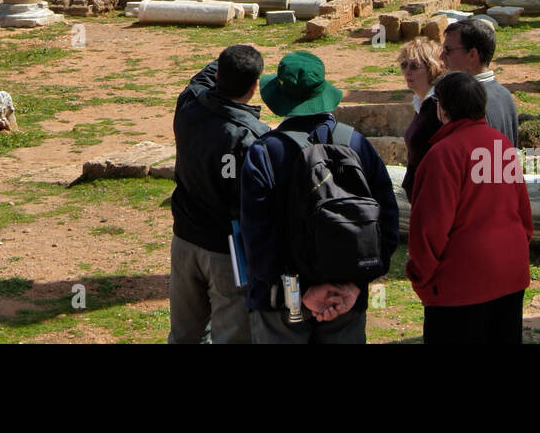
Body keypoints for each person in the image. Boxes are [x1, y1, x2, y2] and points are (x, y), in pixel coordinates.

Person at [239, 51, 399, 343]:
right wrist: (354, 286)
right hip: (346, 301)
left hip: (280, 305)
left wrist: (302, 293)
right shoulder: (356, 143)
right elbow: (387, 221)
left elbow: (257, 238)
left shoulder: (264, 152)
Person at [407, 70, 532, 344]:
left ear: (442, 108)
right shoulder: (501, 145)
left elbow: (430, 227)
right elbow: (523, 212)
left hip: (460, 284)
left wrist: (421, 276)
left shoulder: (442, 154)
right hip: (510, 272)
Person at [168, 44, 271, 343]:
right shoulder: (254, 138)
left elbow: (200, 78)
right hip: (227, 253)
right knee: (232, 336)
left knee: (183, 335)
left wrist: (232, 64)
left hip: (184, 240)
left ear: (218, 78)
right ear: (255, 87)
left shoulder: (189, 105)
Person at [399, 37, 447, 194]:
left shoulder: (438, 106)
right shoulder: (420, 102)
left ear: (432, 68)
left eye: (414, 66)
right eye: (404, 65)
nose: (407, 71)